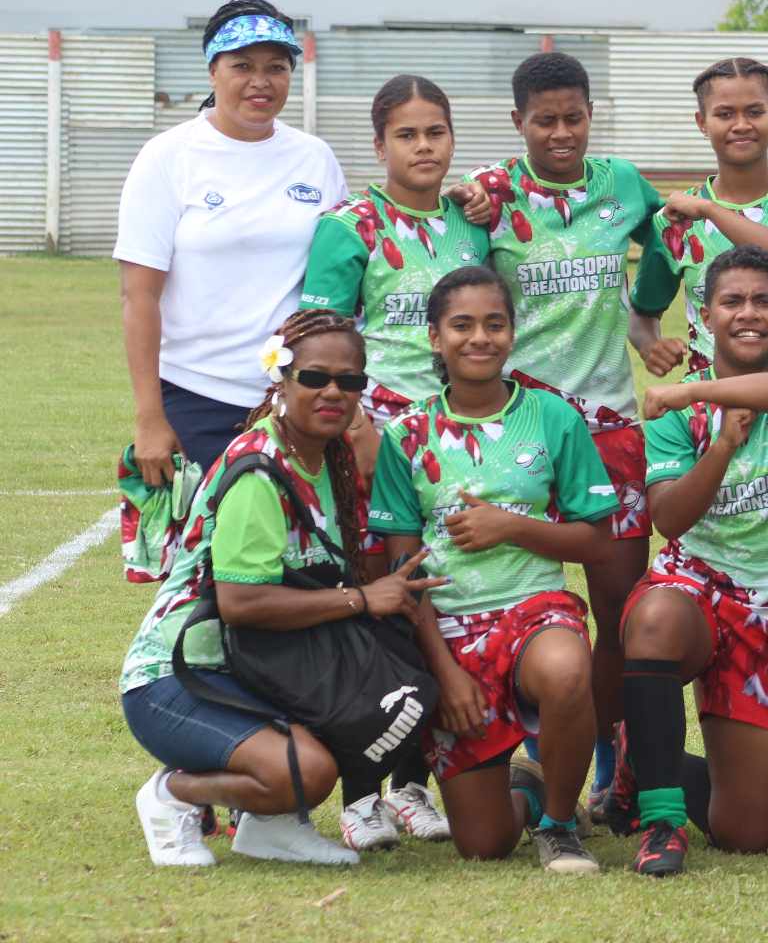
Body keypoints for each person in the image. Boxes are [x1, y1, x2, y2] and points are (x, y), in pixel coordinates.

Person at [449, 52, 685, 815]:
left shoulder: (621, 184)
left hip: (612, 426)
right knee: (513, 600)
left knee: (620, 606)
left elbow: (669, 239)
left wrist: (645, 321)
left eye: (574, 118)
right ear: (518, 123)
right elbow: (455, 289)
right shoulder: (491, 199)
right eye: (544, 120)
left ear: (592, 115)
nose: (561, 133)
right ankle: (519, 754)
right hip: (520, 427)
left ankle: (614, 766)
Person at [122, 310, 442, 867]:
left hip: (254, 667)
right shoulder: (257, 469)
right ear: (281, 381)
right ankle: (171, 795)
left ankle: (271, 825)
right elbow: (240, 605)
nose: (333, 392)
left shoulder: (328, 458)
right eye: (315, 378)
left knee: (365, 707)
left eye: (350, 381)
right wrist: (364, 599)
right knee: (304, 770)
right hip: (176, 679)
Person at [630, 59, 768, 839]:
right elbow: (647, 308)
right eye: (723, 112)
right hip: (713, 410)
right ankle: (647, 768)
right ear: (702, 123)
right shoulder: (672, 222)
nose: (739, 125)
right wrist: (655, 347)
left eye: (753, 110)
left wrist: (711, 212)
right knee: (669, 604)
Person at [368, 266, 620, 874]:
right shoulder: (406, 434)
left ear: (512, 333)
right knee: (484, 844)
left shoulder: (554, 417)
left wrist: (513, 527)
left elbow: (598, 541)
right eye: (461, 325)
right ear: (434, 337)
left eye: (494, 324)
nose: (479, 338)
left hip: (534, 610)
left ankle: (559, 826)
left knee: (565, 670)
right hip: (450, 628)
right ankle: (529, 786)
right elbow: (405, 572)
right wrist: (446, 673)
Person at [299, 74, 488, 847]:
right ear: (379, 145)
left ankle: (414, 786)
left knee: (434, 609)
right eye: (406, 135)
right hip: (376, 446)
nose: (423, 148)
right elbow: (319, 331)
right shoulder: (351, 226)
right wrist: (359, 424)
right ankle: (359, 793)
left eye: (435, 133)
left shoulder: (472, 222)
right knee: (375, 610)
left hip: (458, 445)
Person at [619, 246, 768, 876]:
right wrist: (720, 442)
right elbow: (669, 518)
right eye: (732, 302)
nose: (749, 314)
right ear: (705, 313)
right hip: (695, 589)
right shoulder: (678, 417)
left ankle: (645, 760)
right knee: (656, 618)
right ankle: (660, 822)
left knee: (746, 833)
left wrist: (697, 389)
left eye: (764, 301)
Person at [115, 0, 346, 486]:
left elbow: (342, 270)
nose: (260, 81)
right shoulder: (168, 157)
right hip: (197, 397)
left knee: (300, 555)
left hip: (295, 398)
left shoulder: (315, 158)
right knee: (210, 556)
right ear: (213, 72)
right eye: (242, 65)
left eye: (276, 68)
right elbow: (139, 296)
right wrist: (149, 418)